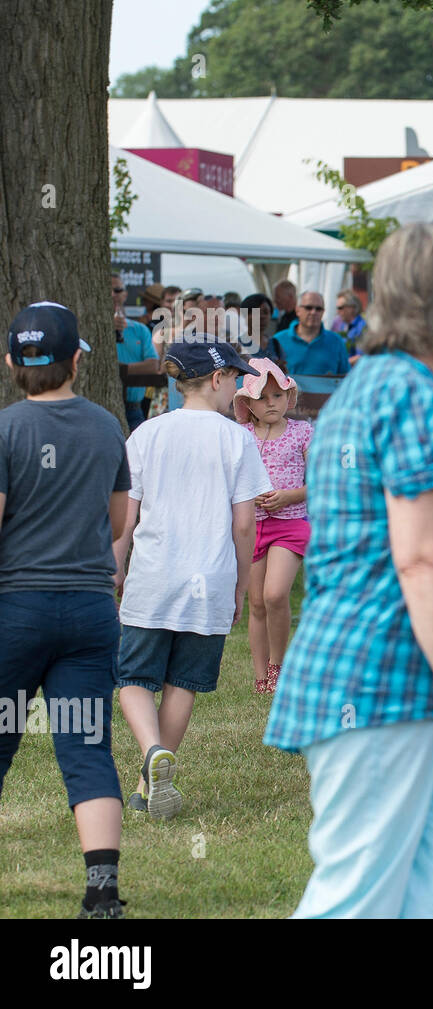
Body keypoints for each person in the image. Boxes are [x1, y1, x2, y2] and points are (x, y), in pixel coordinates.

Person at [263, 223, 433, 918]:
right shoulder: (414, 397)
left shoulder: (361, 390)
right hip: (384, 681)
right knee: (356, 902)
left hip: (367, 678)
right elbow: (420, 556)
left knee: (423, 898)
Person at [0, 302, 131, 919]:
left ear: (10, 363)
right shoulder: (108, 427)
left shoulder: (6, 431)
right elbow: (117, 522)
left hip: (14, 612)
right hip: (87, 611)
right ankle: (102, 895)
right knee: (85, 747)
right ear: (78, 357)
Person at [114, 341, 269, 821]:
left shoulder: (145, 434)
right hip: (211, 578)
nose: (241, 388)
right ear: (217, 379)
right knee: (183, 682)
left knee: (133, 679)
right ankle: (150, 780)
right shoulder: (237, 439)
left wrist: (116, 563)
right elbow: (245, 525)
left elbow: (125, 516)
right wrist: (241, 585)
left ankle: (150, 753)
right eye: (237, 379)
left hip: (154, 575)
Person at [234, 359, 312, 695]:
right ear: (248, 404)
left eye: (277, 395)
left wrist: (290, 495)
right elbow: (230, 482)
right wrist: (246, 498)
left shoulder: (303, 432)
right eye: (263, 397)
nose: (271, 403)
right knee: (257, 603)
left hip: (291, 523)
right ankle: (260, 676)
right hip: (252, 526)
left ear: (288, 397)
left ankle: (278, 667)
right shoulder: (240, 437)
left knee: (275, 594)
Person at [112, 272, 160, 431]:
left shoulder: (139, 329)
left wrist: (121, 369)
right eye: (108, 289)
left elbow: (153, 365)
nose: (113, 294)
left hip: (133, 409)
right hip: (100, 404)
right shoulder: (89, 330)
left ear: (125, 294)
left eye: (117, 290)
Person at [269, 291, 351, 376]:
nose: (313, 312)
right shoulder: (278, 340)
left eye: (318, 309)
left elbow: (346, 378)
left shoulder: (336, 341)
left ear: (323, 312)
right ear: (297, 310)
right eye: (308, 308)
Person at [333, 289, 367, 364]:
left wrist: (342, 364)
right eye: (337, 308)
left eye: (340, 308)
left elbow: (362, 357)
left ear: (351, 308)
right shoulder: (343, 325)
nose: (337, 311)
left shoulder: (363, 327)